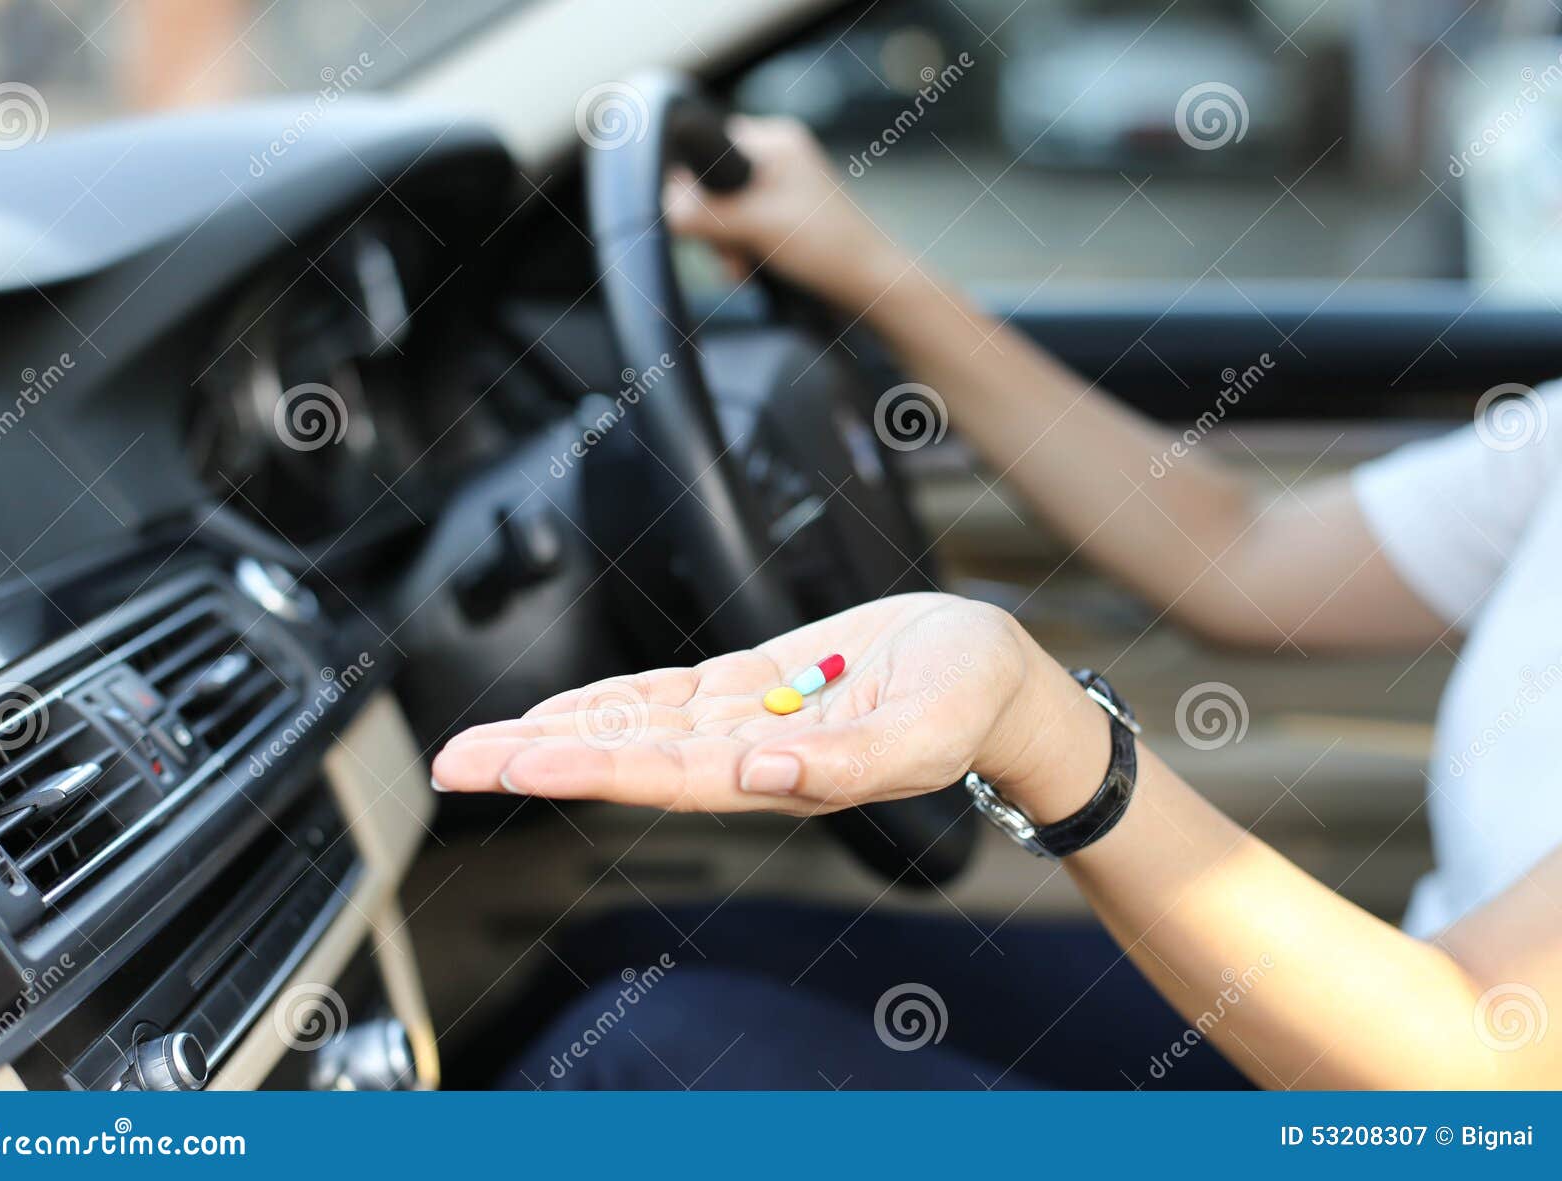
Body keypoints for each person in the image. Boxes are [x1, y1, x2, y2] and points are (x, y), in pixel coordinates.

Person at [432, 118, 1562, 1090]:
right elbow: (1239, 552)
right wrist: (861, 264)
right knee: (636, 948)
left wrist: (1052, 736)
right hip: (1365, 1032)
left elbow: (1483, 1066)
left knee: (647, 1060)